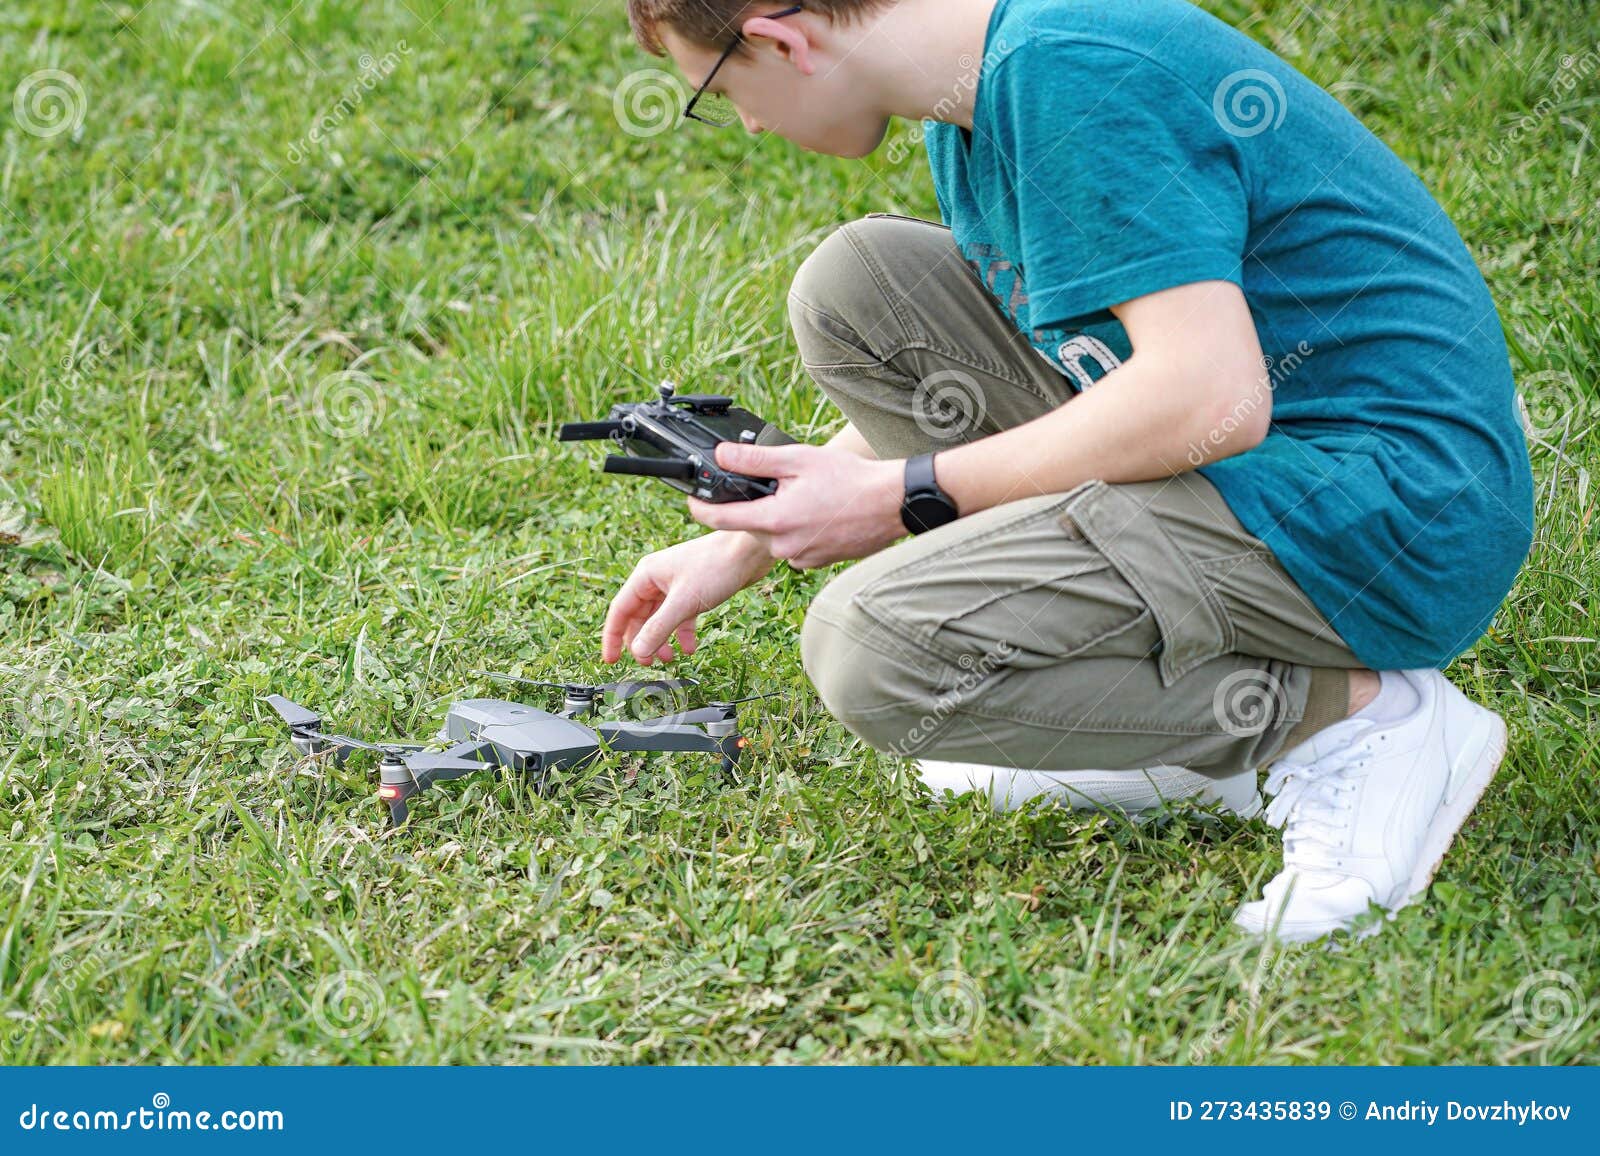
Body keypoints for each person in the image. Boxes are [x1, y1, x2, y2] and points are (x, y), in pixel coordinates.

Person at [600, 0, 1534, 942]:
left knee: (874, 648)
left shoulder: (1070, 76)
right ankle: (1172, 722)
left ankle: (1356, 723)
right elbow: (1087, 359)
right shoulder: (977, 91)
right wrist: (758, 533)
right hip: (1275, 464)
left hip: (1389, 513)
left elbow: (1214, 400)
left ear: (777, 40)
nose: (749, 125)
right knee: (860, 286)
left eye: (721, 95)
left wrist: (902, 495)